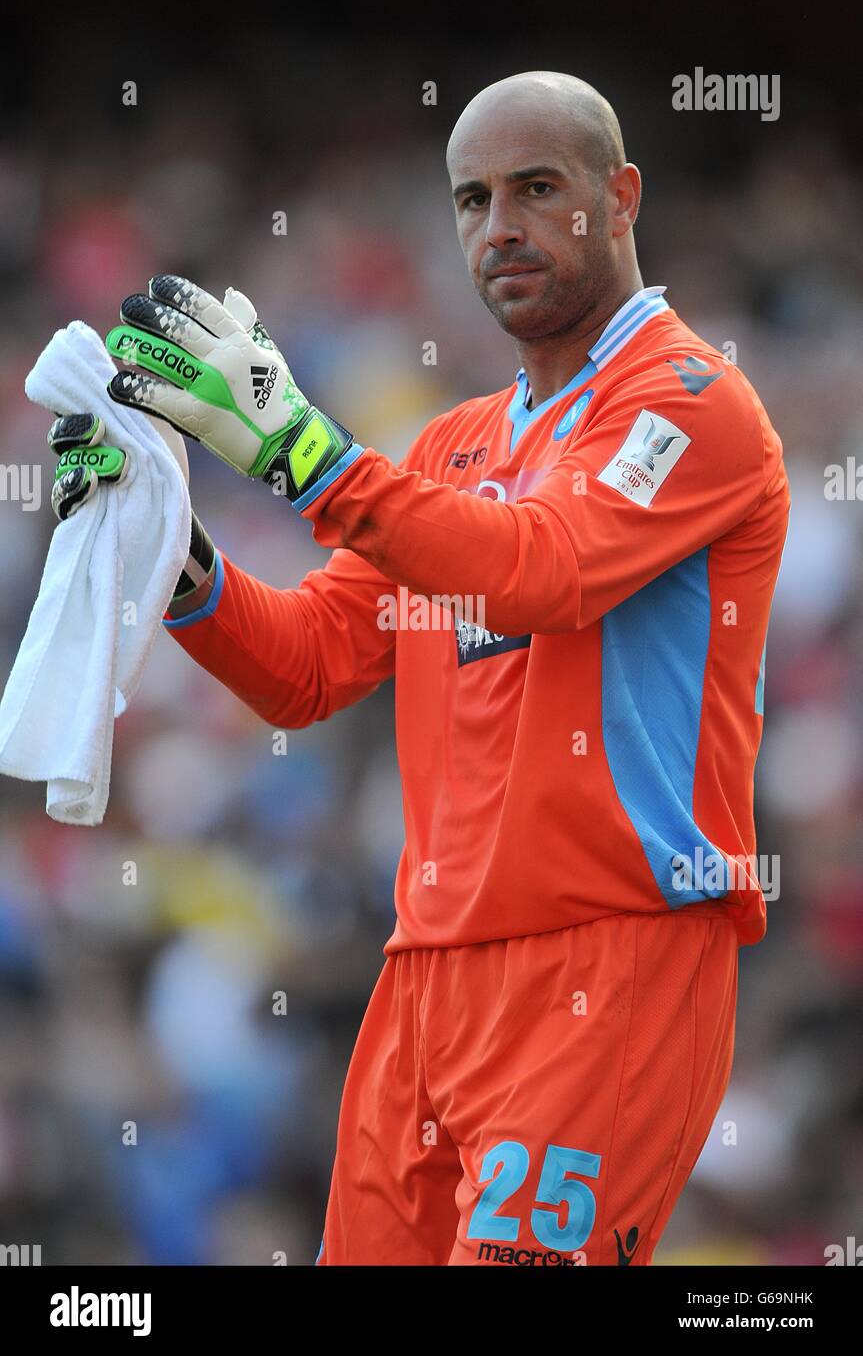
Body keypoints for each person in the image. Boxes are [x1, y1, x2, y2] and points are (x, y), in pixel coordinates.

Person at [48, 71, 790, 1266]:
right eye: (470, 199)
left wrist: (302, 449)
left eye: (535, 190)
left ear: (620, 196)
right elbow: (308, 664)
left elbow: (542, 571)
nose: (497, 226)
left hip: (607, 964)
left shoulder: (694, 404)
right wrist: (171, 559)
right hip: (423, 978)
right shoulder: (451, 446)